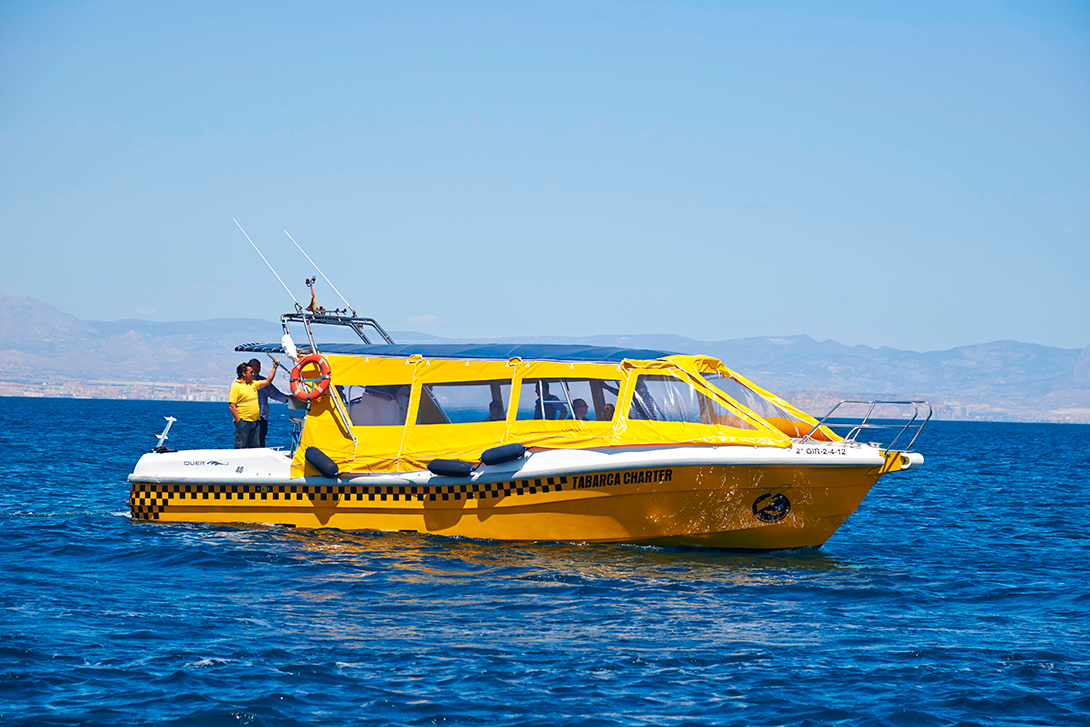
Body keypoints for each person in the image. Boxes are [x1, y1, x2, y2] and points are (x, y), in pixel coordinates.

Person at [229, 361, 278, 449]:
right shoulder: (236, 387)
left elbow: (268, 381)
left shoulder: (253, 384)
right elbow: (232, 406)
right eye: (251, 372)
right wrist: (239, 421)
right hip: (244, 421)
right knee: (241, 446)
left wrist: (274, 368)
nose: (253, 374)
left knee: (256, 447)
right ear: (244, 373)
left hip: (255, 422)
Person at [249, 358, 287, 447]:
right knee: (247, 442)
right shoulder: (243, 381)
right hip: (249, 417)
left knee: (260, 441)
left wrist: (287, 398)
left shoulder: (263, 381)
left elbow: (275, 393)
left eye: (257, 366)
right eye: (253, 366)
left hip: (262, 417)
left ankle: (260, 460)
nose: (255, 368)